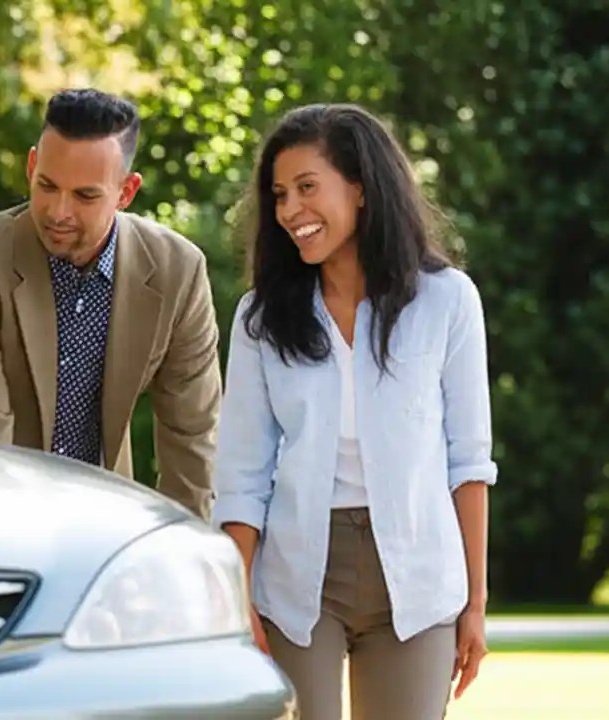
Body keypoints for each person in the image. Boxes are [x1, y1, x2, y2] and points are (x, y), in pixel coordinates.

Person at [211, 103, 497, 719]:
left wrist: (474, 602)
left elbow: (468, 463)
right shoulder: (261, 319)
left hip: (418, 576)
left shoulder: (447, 301)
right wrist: (238, 601)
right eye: (280, 195)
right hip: (297, 576)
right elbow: (240, 477)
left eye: (307, 188)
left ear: (362, 188)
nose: (290, 211)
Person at [0, 88, 221, 521]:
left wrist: (189, 558)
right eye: (47, 186)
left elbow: (193, 440)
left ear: (126, 192)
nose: (58, 211)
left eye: (86, 196)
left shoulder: (177, 273)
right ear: (32, 166)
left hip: (101, 512)